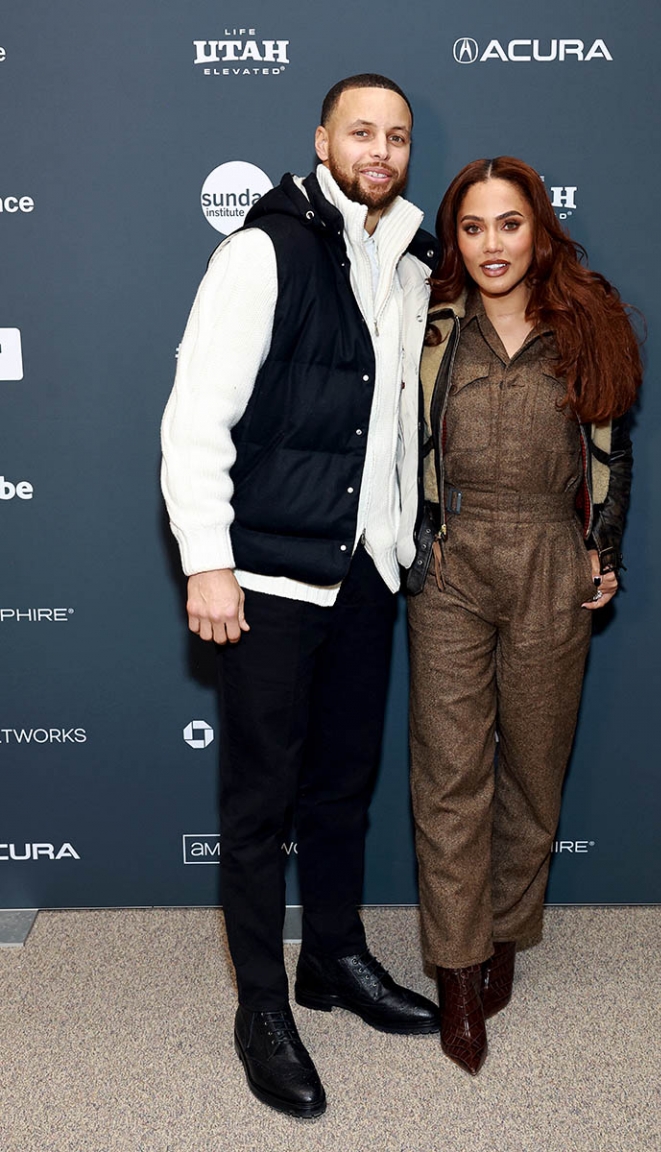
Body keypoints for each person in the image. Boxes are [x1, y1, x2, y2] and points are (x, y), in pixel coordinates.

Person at [161, 74, 440, 1120]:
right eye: (362, 130)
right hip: (269, 576)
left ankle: (334, 958)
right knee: (259, 803)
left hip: (367, 570)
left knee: (340, 785)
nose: (380, 147)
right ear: (322, 138)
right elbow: (195, 421)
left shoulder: (406, 263)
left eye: (397, 136)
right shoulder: (261, 251)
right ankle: (261, 1005)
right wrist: (207, 559)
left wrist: (401, 544)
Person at [406, 157, 642, 1075]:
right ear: (454, 237)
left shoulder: (590, 323)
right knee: (450, 771)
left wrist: (604, 548)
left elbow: (617, 450)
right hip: (454, 556)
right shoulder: (428, 324)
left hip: (551, 552)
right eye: (472, 228)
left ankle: (506, 931)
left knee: (534, 767)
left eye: (508, 225)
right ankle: (459, 972)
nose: (491, 245)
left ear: (539, 229)